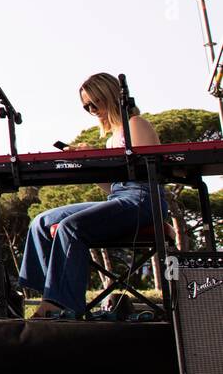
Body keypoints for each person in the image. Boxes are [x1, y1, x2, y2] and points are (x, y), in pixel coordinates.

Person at [19, 72, 163, 319]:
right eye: (86, 106)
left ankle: (62, 307)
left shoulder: (136, 124)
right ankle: (45, 295)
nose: (92, 109)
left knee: (70, 227)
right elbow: (113, 187)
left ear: (109, 95)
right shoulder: (111, 139)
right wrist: (90, 164)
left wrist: (97, 158)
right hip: (120, 197)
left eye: (95, 102)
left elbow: (140, 172)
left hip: (141, 198)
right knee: (41, 222)